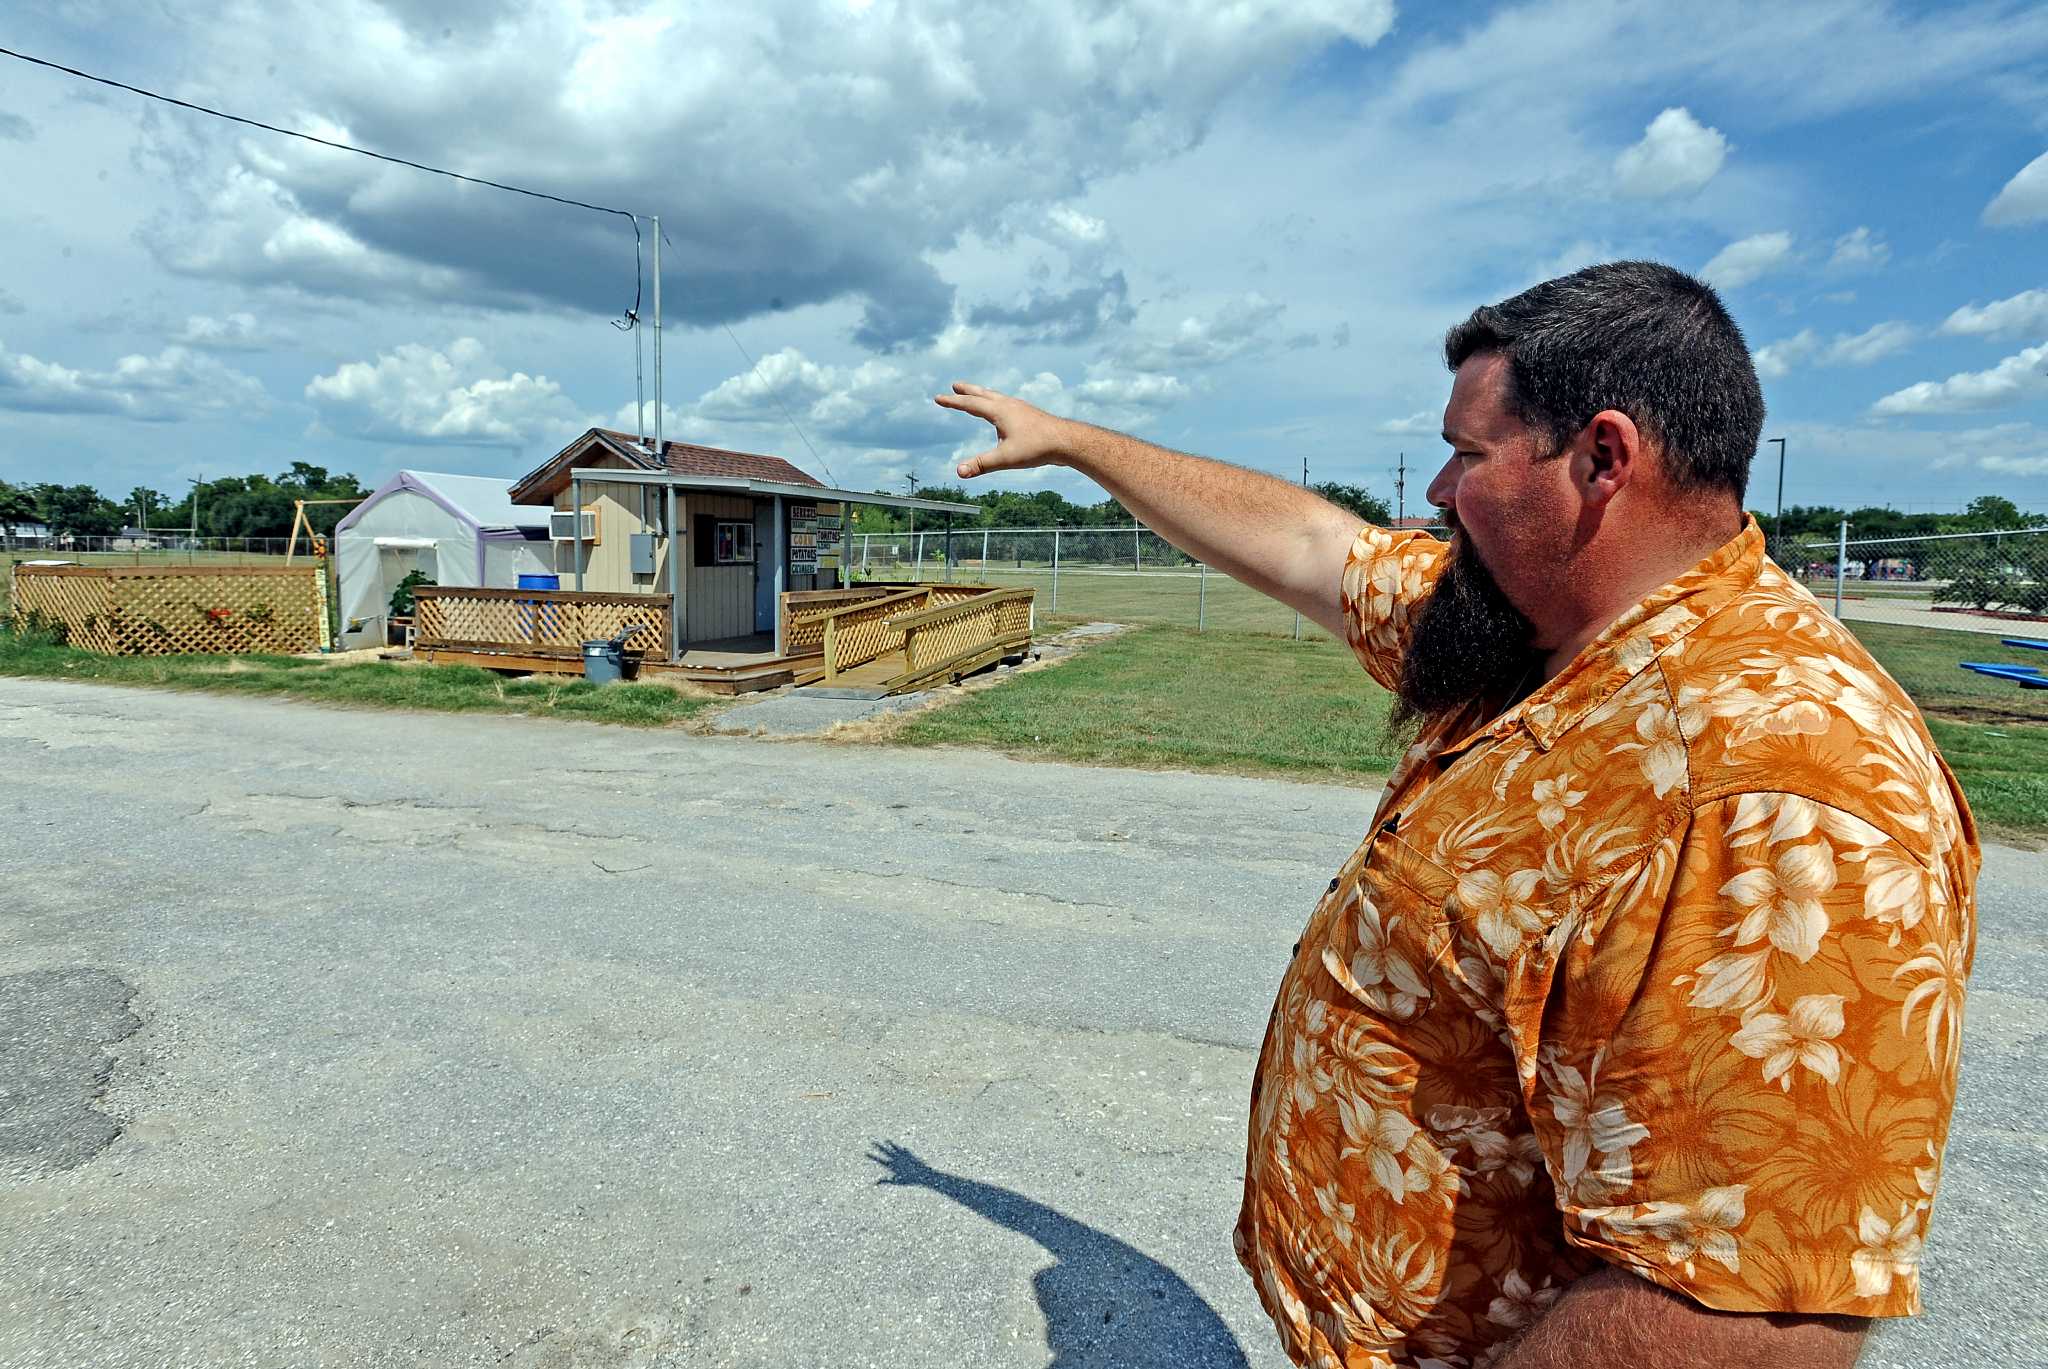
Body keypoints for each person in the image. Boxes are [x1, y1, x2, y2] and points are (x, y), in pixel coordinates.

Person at [934, 261, 1977, 1369]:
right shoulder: (1540, 623)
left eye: (1468, 454)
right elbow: (1310, 547)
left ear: (1603, 457)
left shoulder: (1773, 790)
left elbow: (1742, 1315)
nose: (1436, 489)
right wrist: (1076, 444)